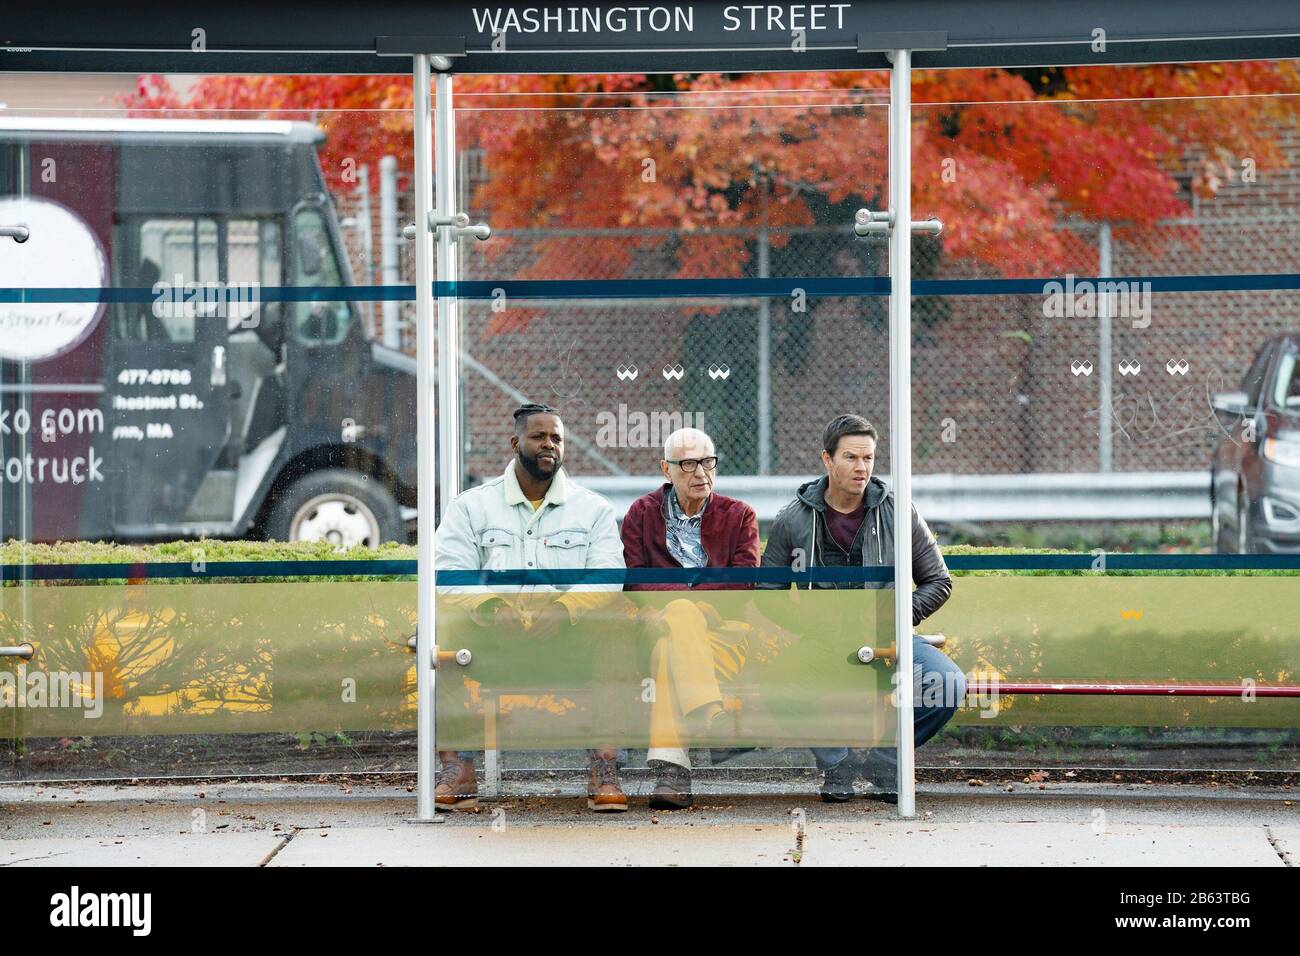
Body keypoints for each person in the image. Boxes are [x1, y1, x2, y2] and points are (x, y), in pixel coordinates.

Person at [432, 403, 629, 812]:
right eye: (539, 436)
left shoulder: (592, 508)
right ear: (515, 442)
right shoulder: (471, 506)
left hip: (570, 639)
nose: (549, 445)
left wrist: (565, 608)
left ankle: (605, 768)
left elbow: (610, 574)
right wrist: (488, 606)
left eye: (556, 438)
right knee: (442, 636)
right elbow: (448, 571)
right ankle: (458, 770)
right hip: (493, 641)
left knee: (618, 635)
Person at [760, 414, 964, 803]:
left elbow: (940, 581)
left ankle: (886, 762)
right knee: (773, 685)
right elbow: (766, 592)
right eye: (851, 457)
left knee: (948, 683)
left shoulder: (897, 511)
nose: (862, 467)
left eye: (868, 458)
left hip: (891, 638)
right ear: (827, 460)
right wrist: (813, 625)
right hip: (824, 642)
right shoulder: (793, 518)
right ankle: (837, 763)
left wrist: (896, 620)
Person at [620, 427, 760, 809]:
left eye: (708, 462)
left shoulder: (739, 514)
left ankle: (672, 774)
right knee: (677, 619)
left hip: (723, 635)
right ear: (666, 469)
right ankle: (712, 717)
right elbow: (634, 580)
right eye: (688, 464)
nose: (701, 473)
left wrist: (691, 610)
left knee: (669, 650)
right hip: (657, 625)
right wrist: (688, 607)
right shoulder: (641, 513)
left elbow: (744, 580)